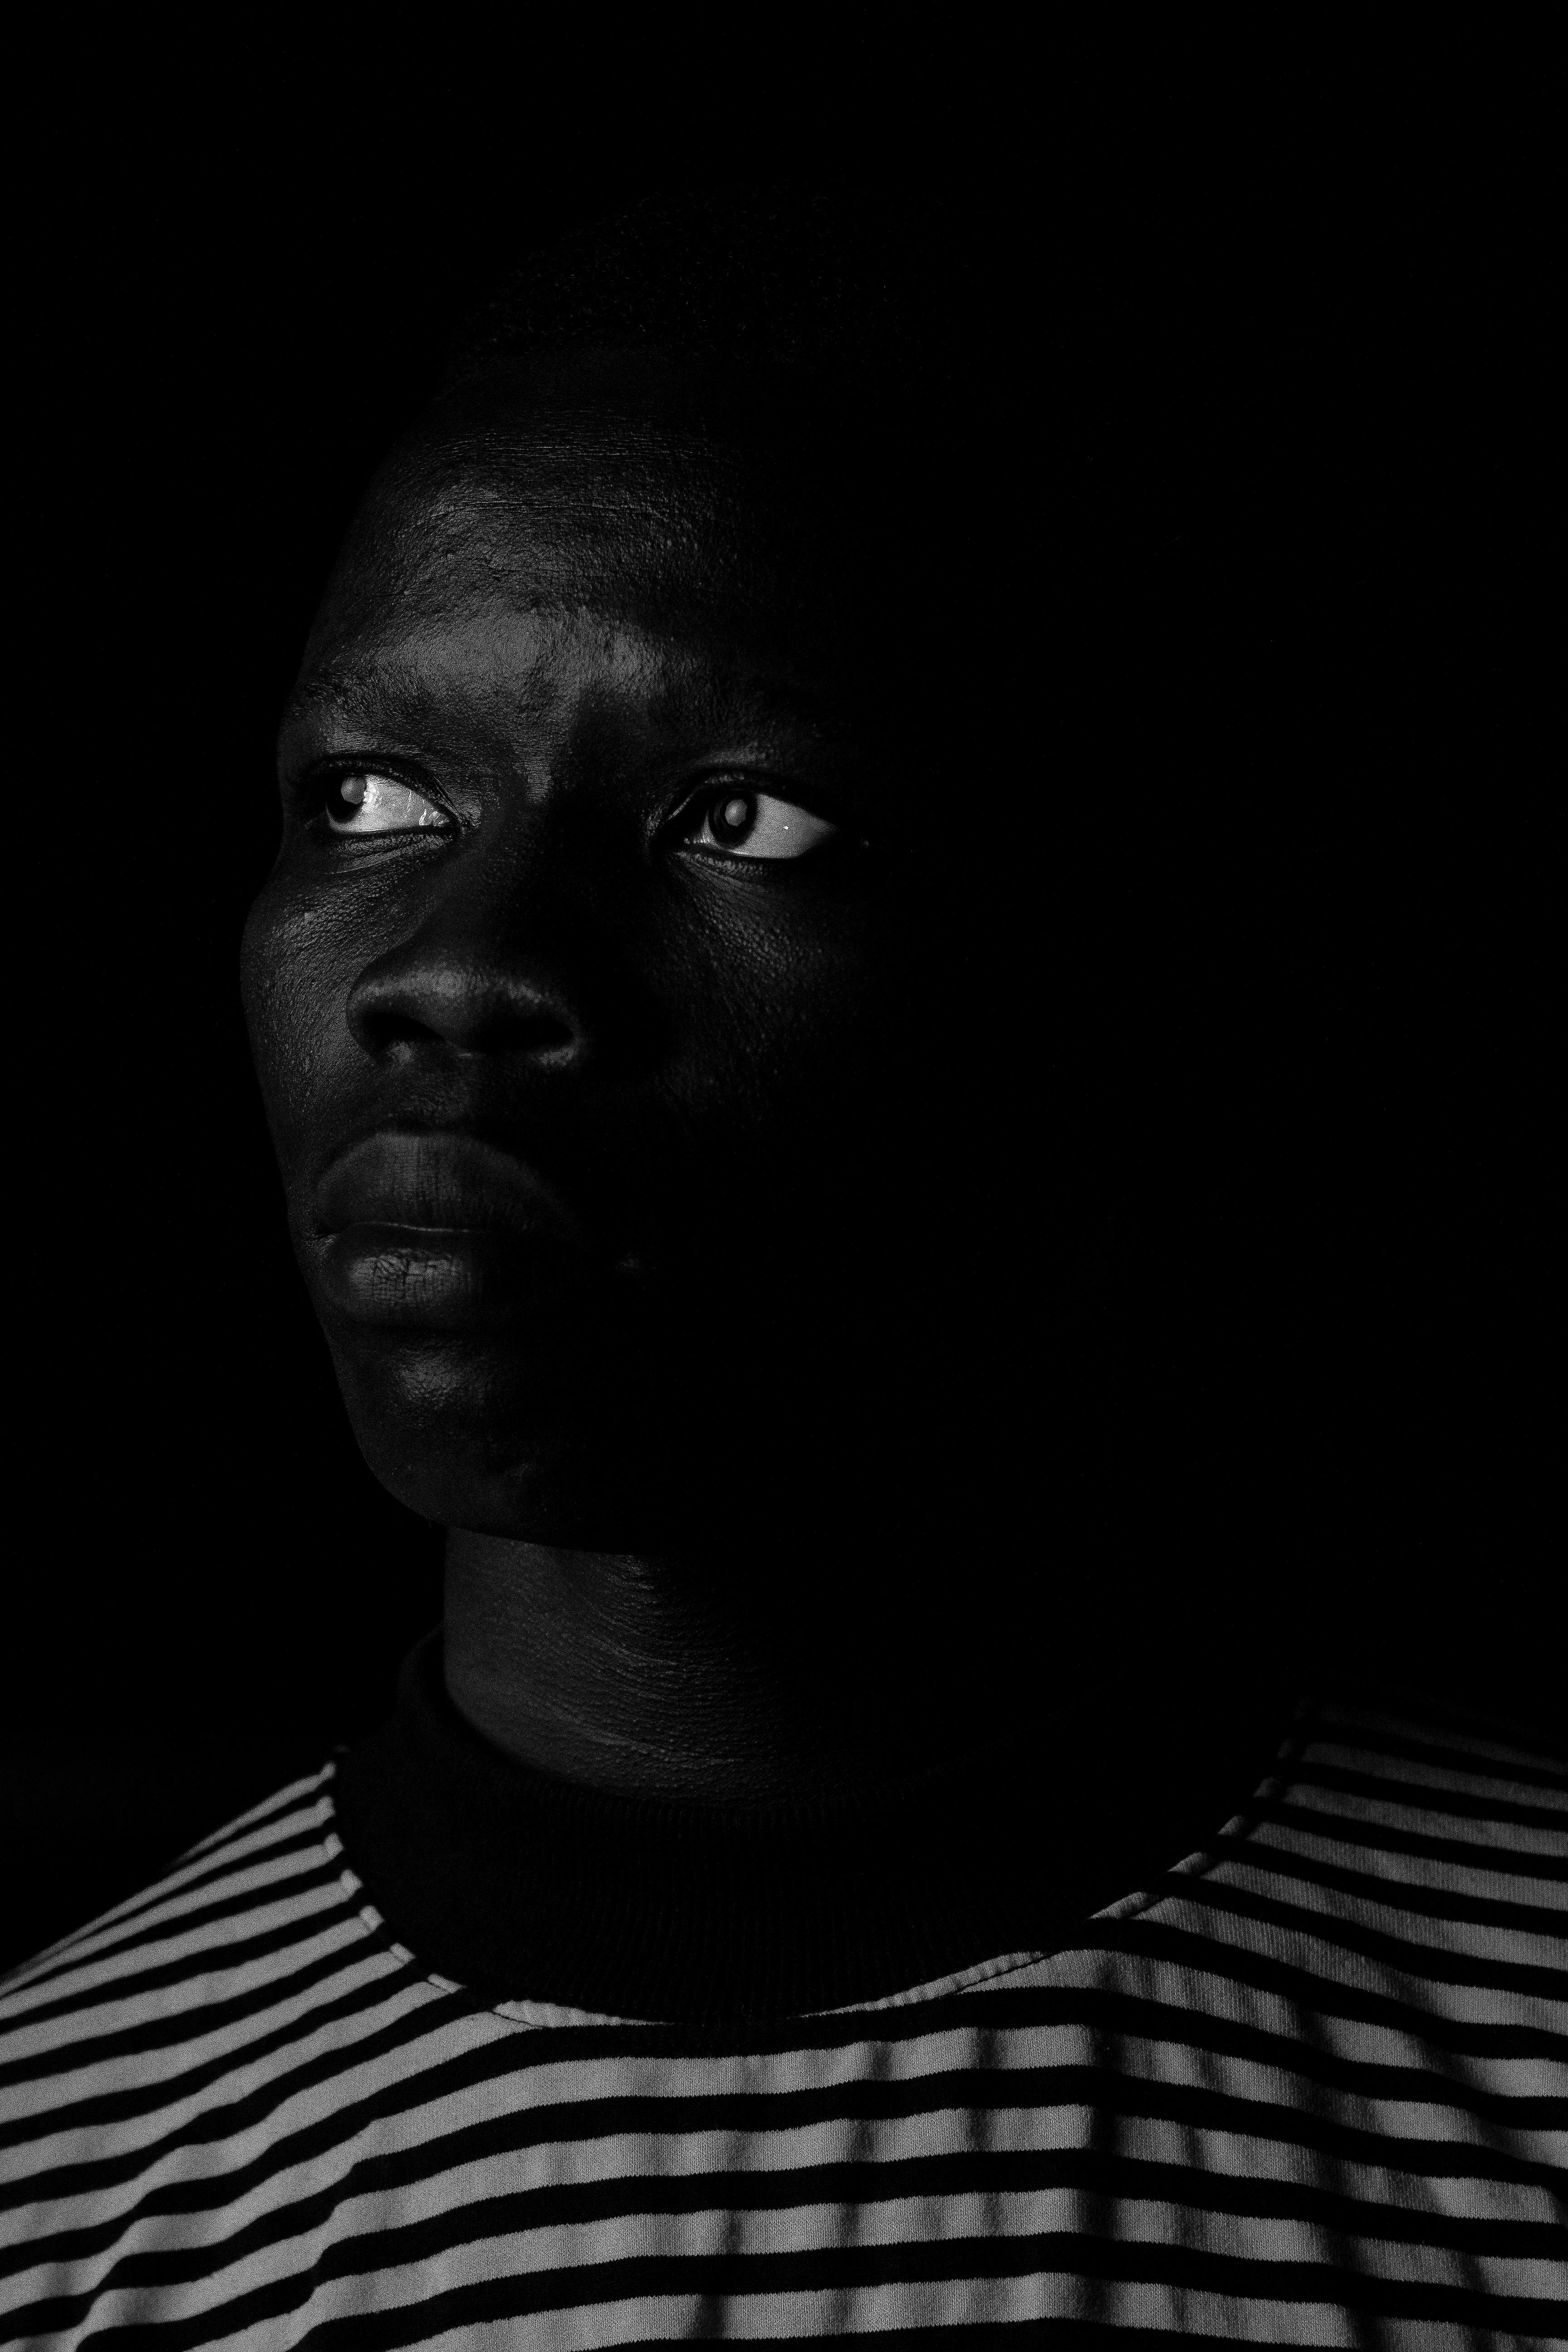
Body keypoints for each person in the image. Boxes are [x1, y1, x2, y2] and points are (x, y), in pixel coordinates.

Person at [2, 194, 1563, 2345]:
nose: (459, 968)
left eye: (743, 820)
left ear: (1125, 979)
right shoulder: (55, 2180)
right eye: (365, 797)